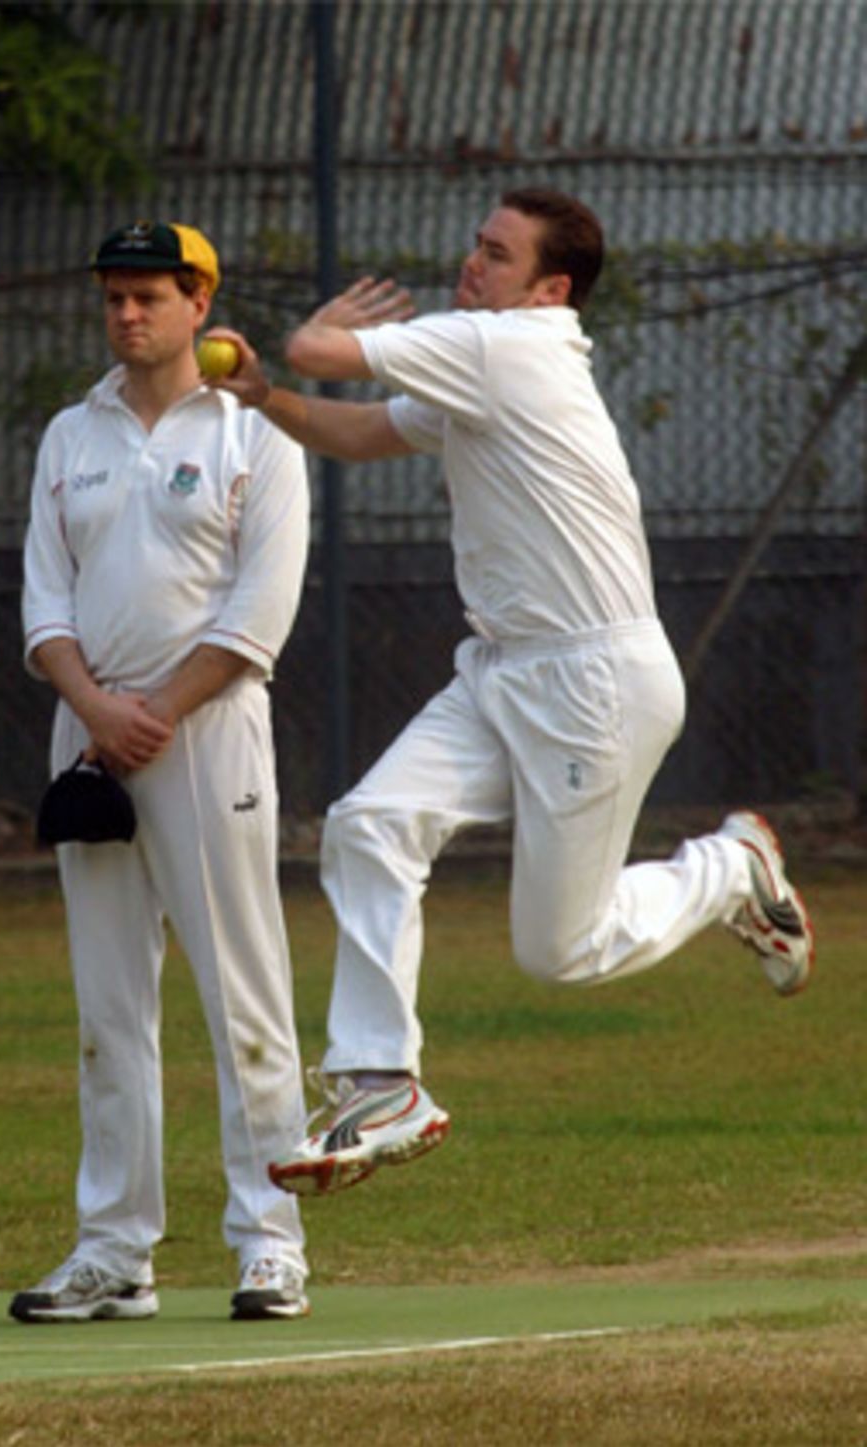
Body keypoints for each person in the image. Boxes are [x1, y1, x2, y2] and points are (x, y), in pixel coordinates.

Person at [207, 187, 815, 1197]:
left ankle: (729, 868)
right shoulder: (481, 364)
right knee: (369, 825)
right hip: (502, 670)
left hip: (592, 681)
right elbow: (361, 434)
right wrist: (266, 394)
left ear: (550, 289)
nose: (472, 263)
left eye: (497, 253)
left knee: (562, 952)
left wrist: (319, 335)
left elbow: (323, 352)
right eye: (476, 244)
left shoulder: (512, 348)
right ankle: (382, 1083)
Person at [14, 220, 312, 1318]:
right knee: (107, 1007)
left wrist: (158, 713)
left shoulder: (256, 434)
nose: (128, 314)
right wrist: (98, 710)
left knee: (243, 992)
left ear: (200, 304)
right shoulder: (70, 433)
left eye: (148, 295)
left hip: (208, 736)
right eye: (114, 297)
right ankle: (114, 1250)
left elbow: (260, 611)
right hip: (90, 735)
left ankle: (270, 1242)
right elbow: (44, 601)